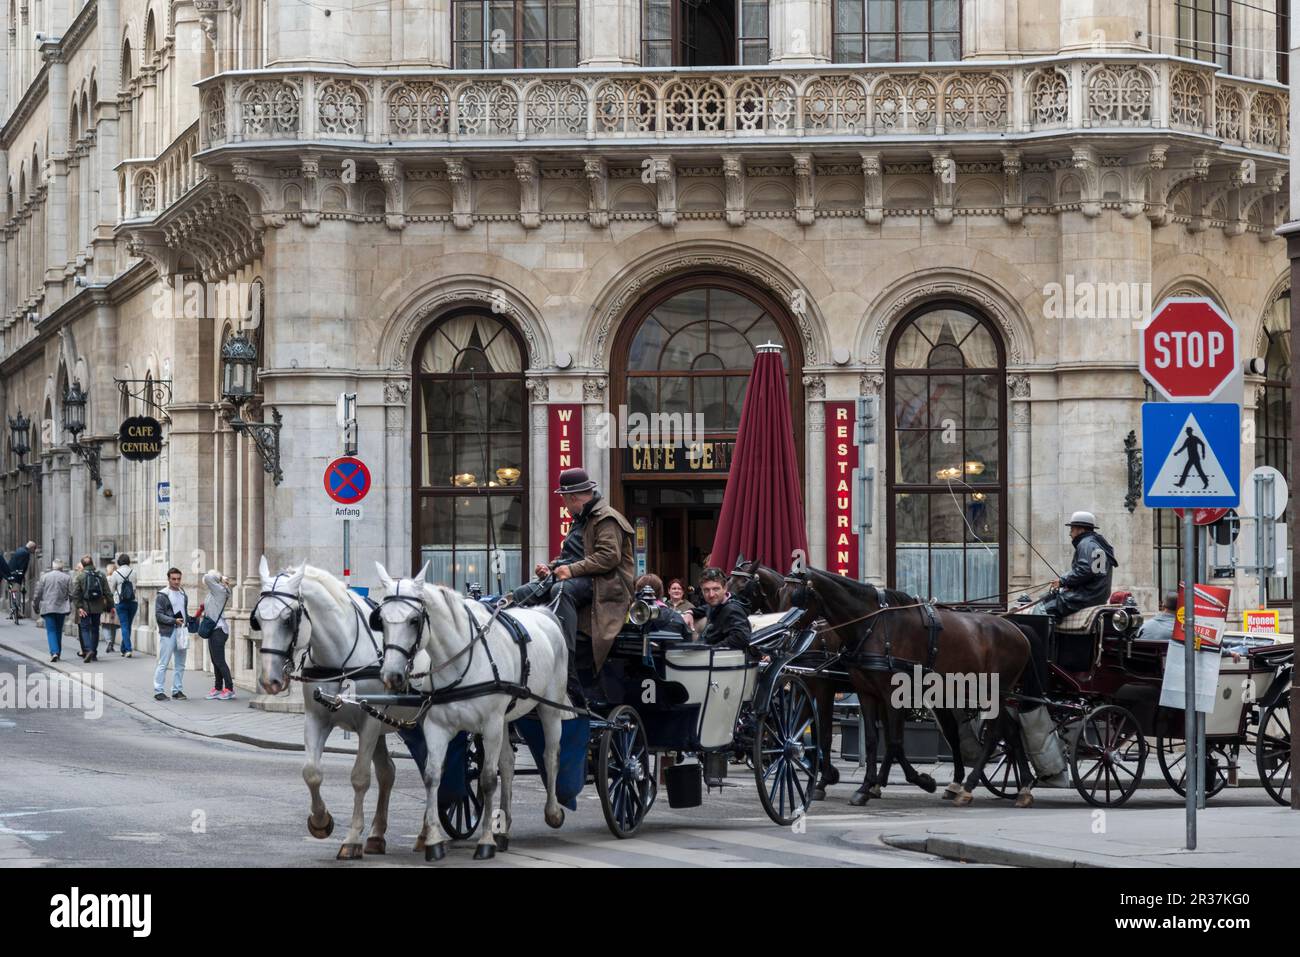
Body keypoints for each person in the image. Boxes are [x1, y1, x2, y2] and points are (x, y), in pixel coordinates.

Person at [513, 466, 634, 705]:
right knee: (523, 594)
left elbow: (609, 557)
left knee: (561, 590)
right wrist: (551, 567)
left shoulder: (607, 519)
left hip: (606, 585)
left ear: (573, 498)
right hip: (582, 578)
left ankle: (563, 652)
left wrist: (569, 571)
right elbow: (572, 555)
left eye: (565, 501)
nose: (565, 506)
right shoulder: (580, 520)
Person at [1038, 511, 1119, 619]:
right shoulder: (1096, 542)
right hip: (1097, 594)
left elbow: (1085, 569)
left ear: (1081, 529)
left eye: (1072, 529)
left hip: (1086, 596)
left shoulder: (1085, 543)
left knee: (1042, 611)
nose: (1070, 534)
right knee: (1045, 598)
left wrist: (1062, 581)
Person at [690, 567, 753, 651]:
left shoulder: (732, 609)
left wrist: (710, 651)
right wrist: (690, 612)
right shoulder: (716, 604)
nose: (711, 594)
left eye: (716, 589)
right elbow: (705, 608)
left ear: (725, 588)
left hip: (717, 660)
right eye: (706, 590)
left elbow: (741, 638)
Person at [154, 567, 191, 701]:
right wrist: (173, 620)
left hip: (182, 631)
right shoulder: (163, 595)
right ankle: (158, 690)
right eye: (173, 579)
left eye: (178, 579)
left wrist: (190, 619)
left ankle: (177, 690)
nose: (176, 581)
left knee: (180, 663)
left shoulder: (183, 593)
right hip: (168, 633)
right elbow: (158, 615)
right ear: (168, 579)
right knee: (163, 662)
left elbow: (184, 612)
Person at [200, 569, 236, 700]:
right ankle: (218, 687)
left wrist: (219, 577)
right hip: (213, 630)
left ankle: (230, 689)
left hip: (219, 631)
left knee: (220, 661)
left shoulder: (220, 590)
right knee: (215, 661)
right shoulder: (215, 592)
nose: (206, 582)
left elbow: (207, 577)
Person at [69, 555, 111, 663]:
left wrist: (79, 607)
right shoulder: (101, 575)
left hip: (85, 607)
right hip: (98, 607)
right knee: (95, 629)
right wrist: (110, 606)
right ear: (92, 563)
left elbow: (75, 594)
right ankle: (94, 653)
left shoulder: (80, 576)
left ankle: (88, 650)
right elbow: (107, 592)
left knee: (85, 629)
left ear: (83, 565)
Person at [32, 559, 72, 663]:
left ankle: (54, 652)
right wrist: (68, 602)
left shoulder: (44, 577)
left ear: (52, 566)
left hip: (48, 607)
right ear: (61, 567)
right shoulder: (67, 577)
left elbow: (38, 594)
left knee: (51, 631)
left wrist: (35, 605)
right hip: (61, 608)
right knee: (58, 630)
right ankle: (57, 653)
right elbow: (71, 593)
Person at [633, 573, 693, 637]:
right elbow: (687, 641)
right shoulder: (677, 618)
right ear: (665, 591)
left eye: (679, 589)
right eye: (674, 588)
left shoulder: (632, 616)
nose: (676, 591)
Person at [109, 553, 138, 658]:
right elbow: (134, 587)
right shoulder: (134, 572)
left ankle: (129, 649)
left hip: (120, 602)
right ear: (129, 561)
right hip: (133, 602)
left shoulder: (116, 573)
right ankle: (123, 649)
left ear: (119, 562)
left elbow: (112, 589)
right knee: (128, 626)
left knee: (124, 626)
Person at [101, 562, 119, 652]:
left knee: (105, 624)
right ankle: (112, 644)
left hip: (106, 603)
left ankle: (108, 641)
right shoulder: (117, 578)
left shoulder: (105, 579)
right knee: (113, 625)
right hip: (116, 603)